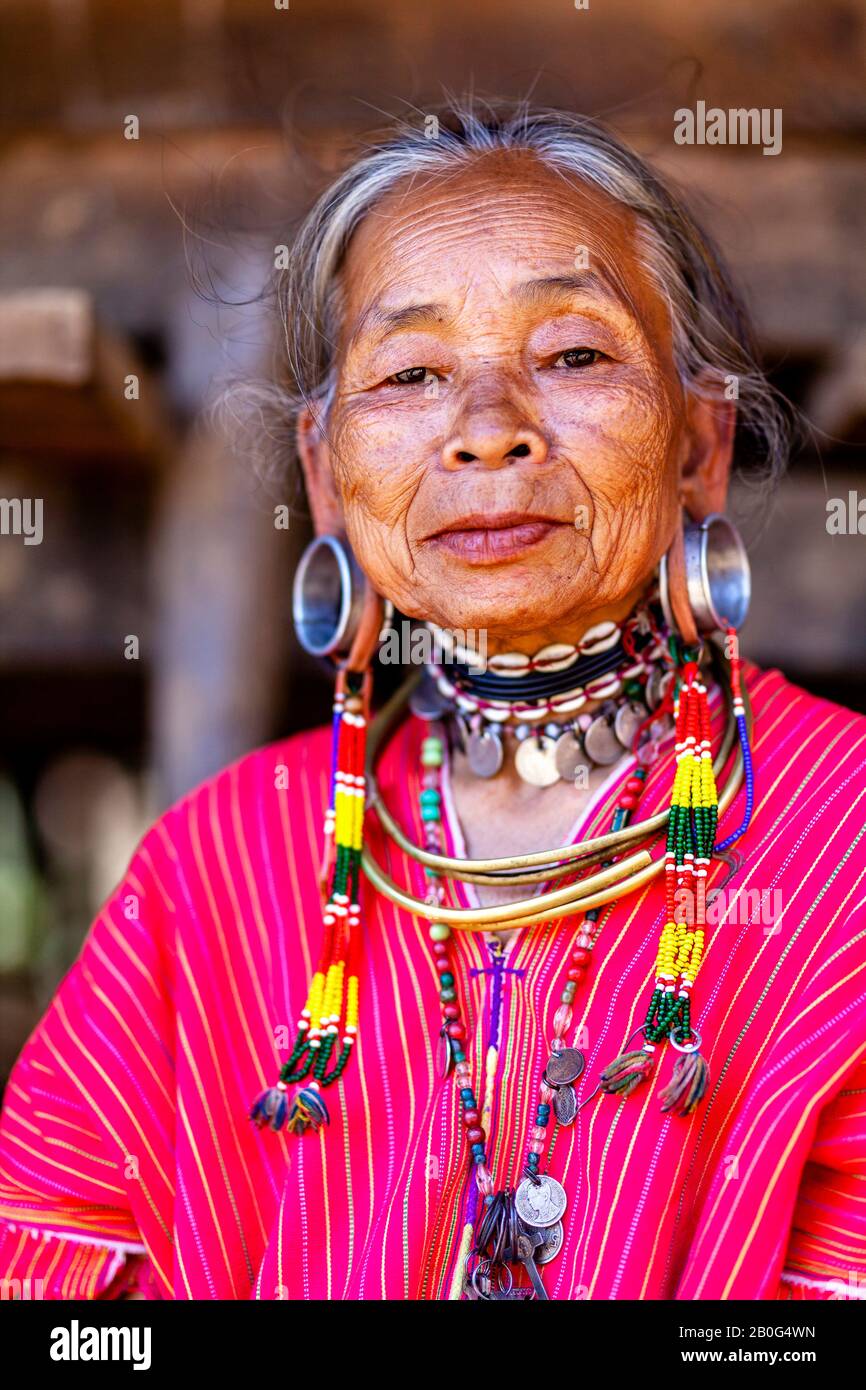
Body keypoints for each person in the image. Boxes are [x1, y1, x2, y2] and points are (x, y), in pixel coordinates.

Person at [1, 101, 864, 1302]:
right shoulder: (212, 871)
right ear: (327, 476)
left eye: (570, 353)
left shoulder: (842, 846)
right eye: (409, 372)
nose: (486, 431)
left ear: (696, 446)